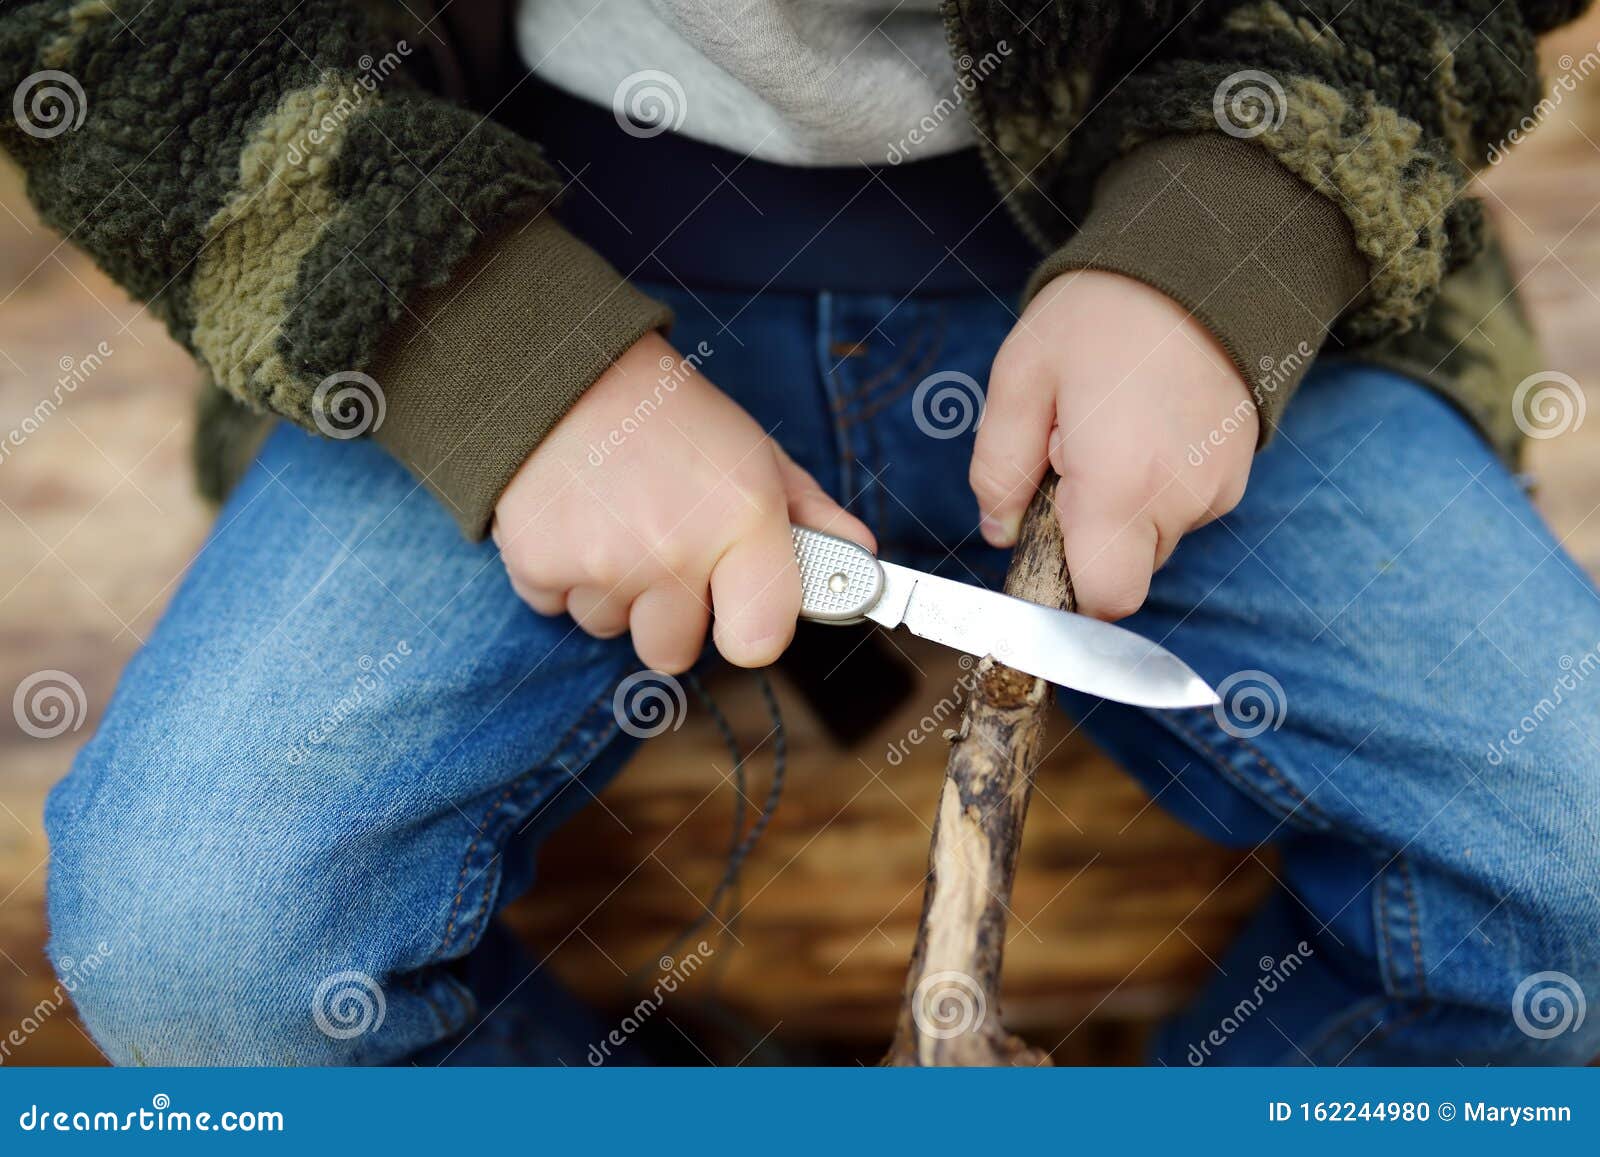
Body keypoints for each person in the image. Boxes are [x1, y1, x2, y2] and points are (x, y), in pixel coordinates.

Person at [6, 0, 1600, 1065]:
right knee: (203, 936)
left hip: (1175, 245)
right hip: (481, 241)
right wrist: (484, 353)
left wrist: (1235, 232)